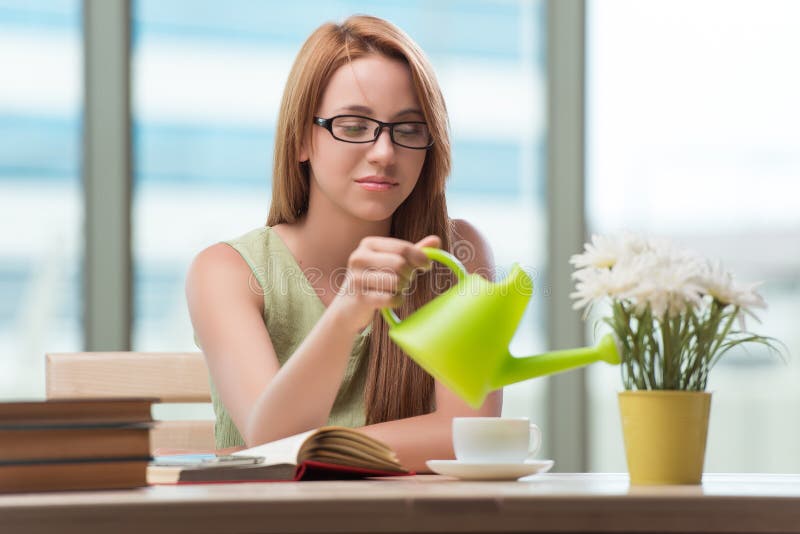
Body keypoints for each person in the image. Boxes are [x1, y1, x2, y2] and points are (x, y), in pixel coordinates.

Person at [185, 14, 501, 472]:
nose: (384, 153)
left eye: (408, 129)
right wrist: (349, 309)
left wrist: (294, 450)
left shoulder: (458, 256)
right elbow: (273, 439)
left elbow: (471, 435)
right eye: (353, 125)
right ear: (301, 140)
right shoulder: (226, 272)